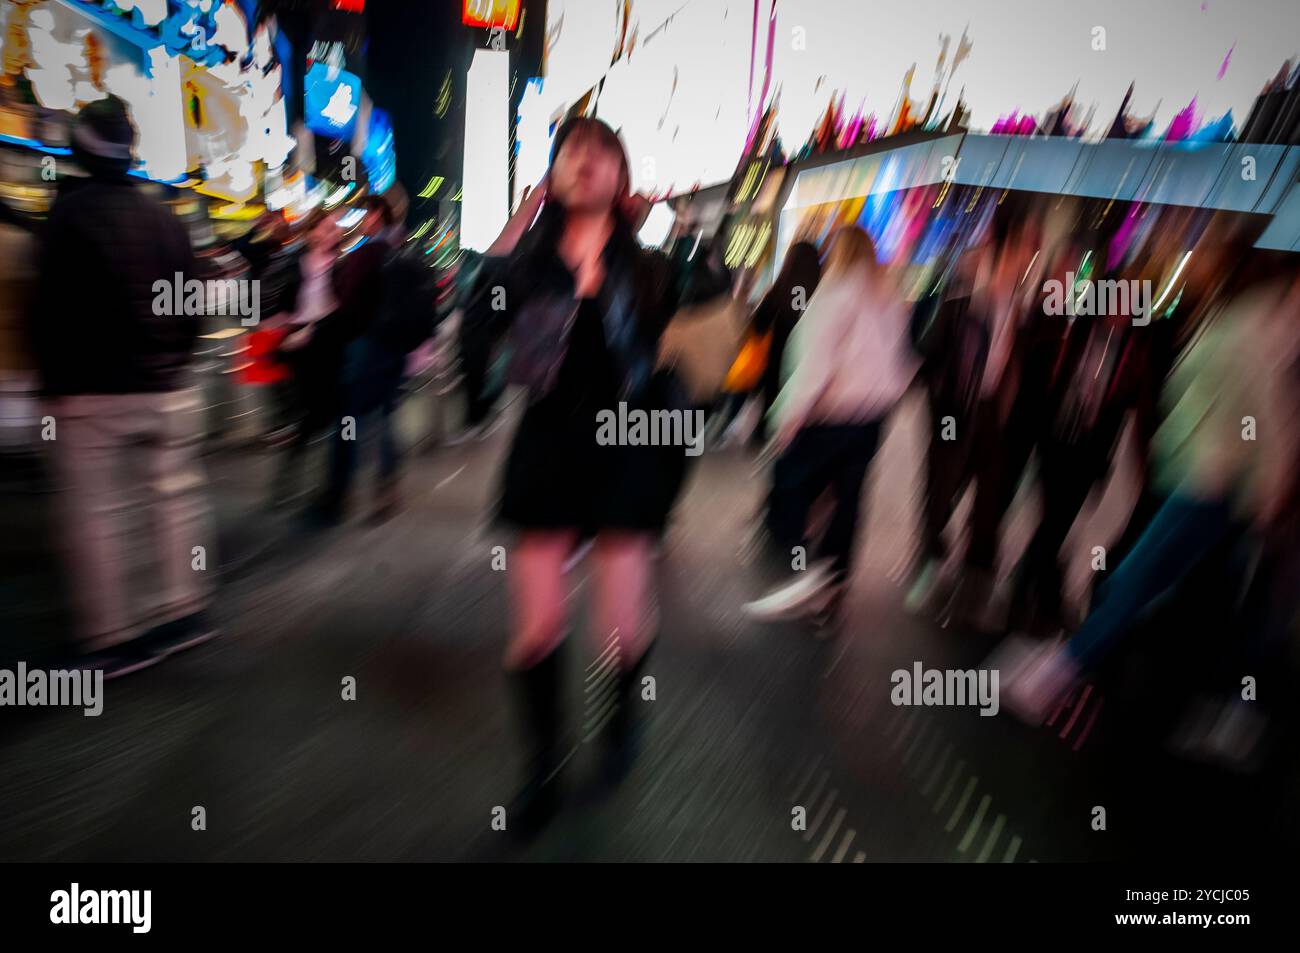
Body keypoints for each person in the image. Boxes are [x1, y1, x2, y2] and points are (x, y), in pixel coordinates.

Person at [463, 117, 677, 835]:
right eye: (569, 153)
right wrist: (523, 215)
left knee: (619, 626)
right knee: (535, 630)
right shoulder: (526, 270)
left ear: (620, 176)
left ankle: (619, 717)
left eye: (600, 152)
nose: (583, 161)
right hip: (547, 450)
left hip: (624, 454)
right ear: (552, 176)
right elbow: (475, 316)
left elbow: (679, 359)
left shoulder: (647, 269)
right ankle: (543, 768)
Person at [998, 254, 1300, 725]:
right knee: (1190, 593)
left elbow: (1273, 420)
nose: (1194, 260)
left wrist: (1268, 492)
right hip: (1198, 479)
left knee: (1137, 580)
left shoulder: (1254, 327)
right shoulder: (1235, 318)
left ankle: (1060, 673)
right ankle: (1225, 708)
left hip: (1210, 484)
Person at [30, 96, 214, 675]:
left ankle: (113, 639)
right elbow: (195, 303)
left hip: (92, 393)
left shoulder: (67, 217)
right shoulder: (166, 218)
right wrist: (176, 366)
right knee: (173, 500)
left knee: (97, 513)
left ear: (80, 149)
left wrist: (51, 386)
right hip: (168, 390)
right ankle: (181, 612)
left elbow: (50, 312)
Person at [744, 225, 918, 624]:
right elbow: (903, 362)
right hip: (872, 418)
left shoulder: (834, 294)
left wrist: (786, 418)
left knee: (791, 483)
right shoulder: (888, 300)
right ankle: (832, 585)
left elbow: (814, 367)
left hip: (831, 415)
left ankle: (805, 565)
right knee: (849, 499)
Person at [316, 188, 425, 523]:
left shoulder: (368, 254)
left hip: (366, 347)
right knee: (386, 420)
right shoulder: (405, 251)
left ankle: (338, 495)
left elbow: (347, 301)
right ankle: (387, 491)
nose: (362, 221)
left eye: (366, 214)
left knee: (348, 420)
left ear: (378, 215)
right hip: (397, 351)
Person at [748, 240, 821, 444]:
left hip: (778, 354)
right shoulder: (820, 289)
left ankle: (766, 434)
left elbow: (759, 323)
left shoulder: (782, 287)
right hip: (807, 354)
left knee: (772, 394)